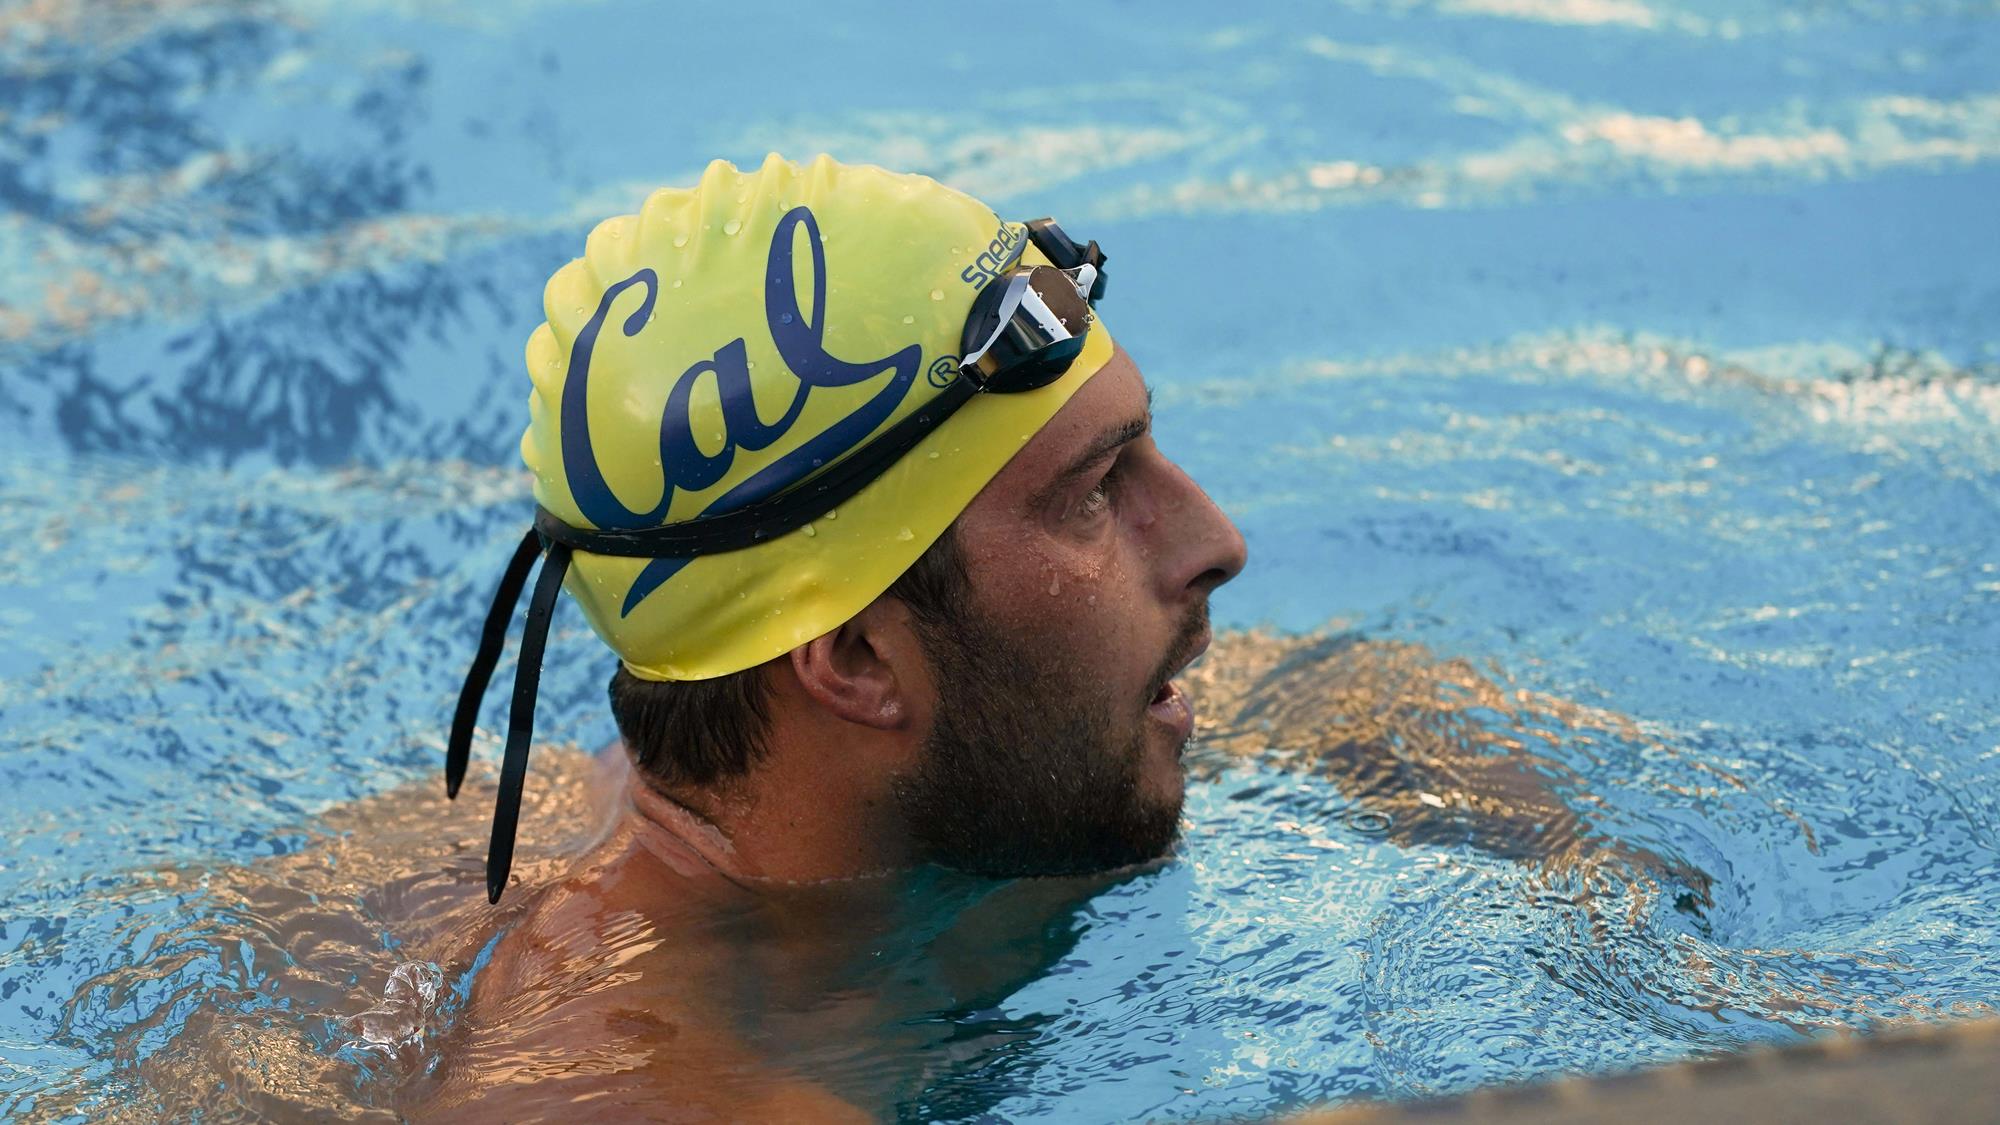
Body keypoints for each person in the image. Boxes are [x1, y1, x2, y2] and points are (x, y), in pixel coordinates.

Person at [417, 153, 1249, 1118]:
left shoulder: (1017, 753)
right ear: (855, 661)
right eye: (1095, 493)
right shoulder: (625, 1085)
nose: (1216, 543)